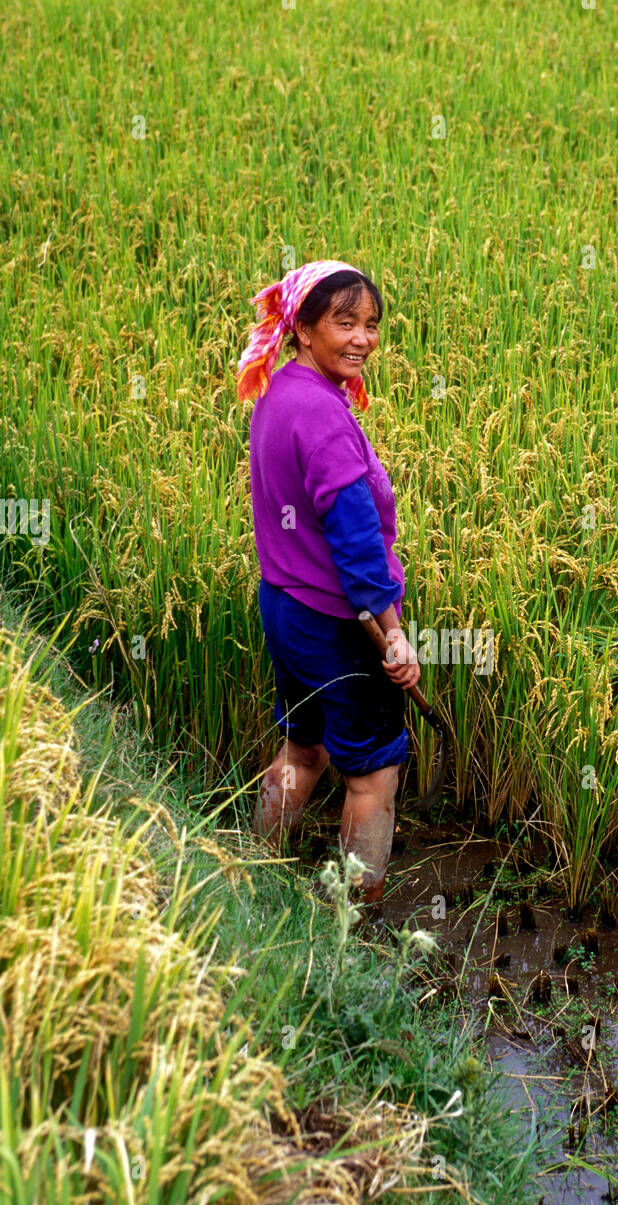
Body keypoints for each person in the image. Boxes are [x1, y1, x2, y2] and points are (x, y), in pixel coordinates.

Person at [236, 259, 420, 903]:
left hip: (286, 610)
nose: (362, 339)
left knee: (304, 749)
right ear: (304, 328)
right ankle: (350, 925)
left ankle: (249, 876)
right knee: (372, 775)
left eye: (370, 324)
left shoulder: (278, 393)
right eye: (344, 323)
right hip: (344, 624)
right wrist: (393, 635)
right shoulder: (324, 419)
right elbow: (358, 543)